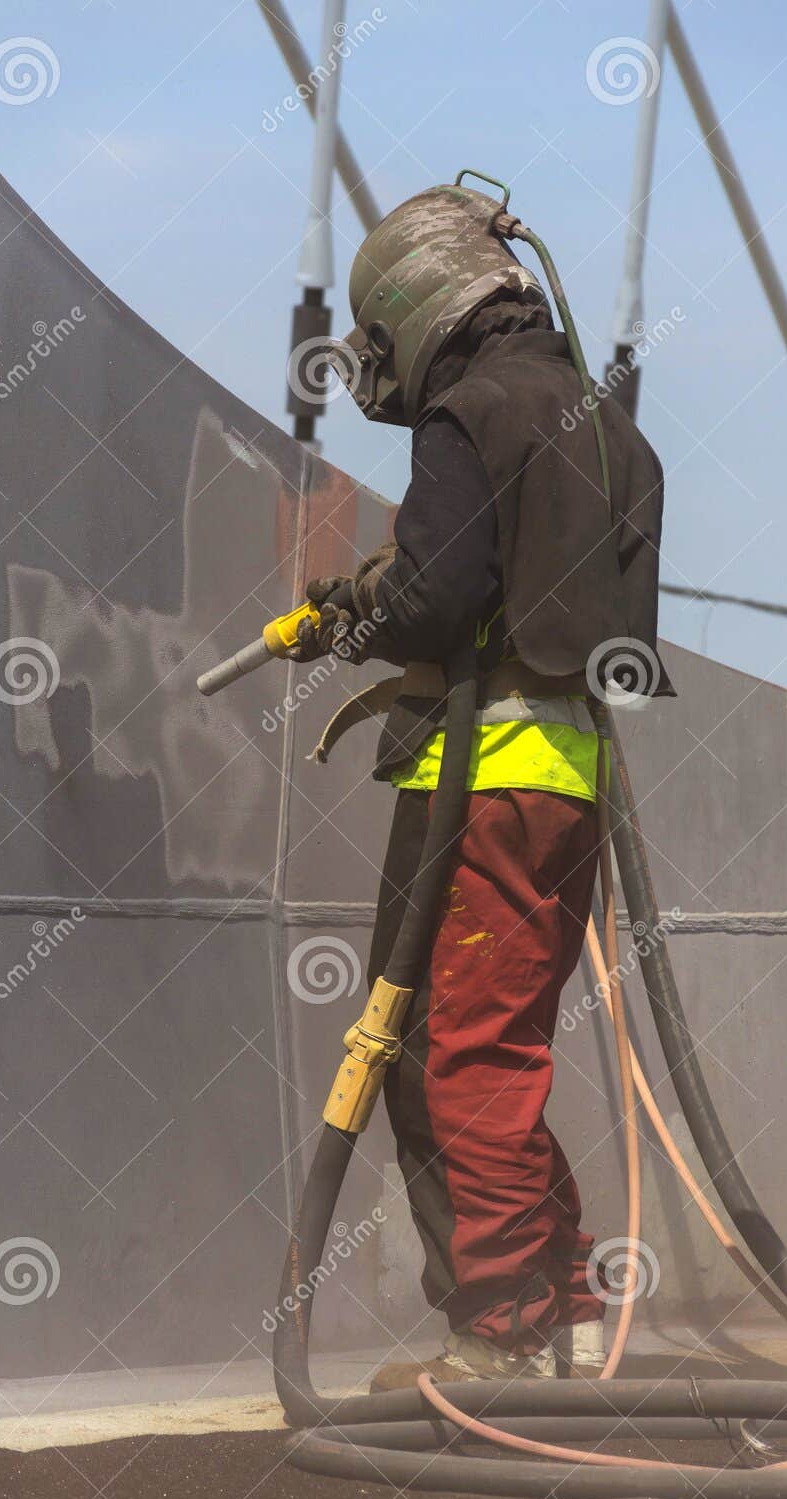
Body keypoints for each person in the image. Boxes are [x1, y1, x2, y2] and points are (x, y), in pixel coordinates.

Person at [293, 180, 672, 1390]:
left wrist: (357, 610)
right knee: (479, 1045)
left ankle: (499, 1338)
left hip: (482, 776)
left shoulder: (469, 413)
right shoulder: (607, 425)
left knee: (453, 1052)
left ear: (414, 310)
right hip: (565, 779)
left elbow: (441, 600)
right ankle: (542, 1312)